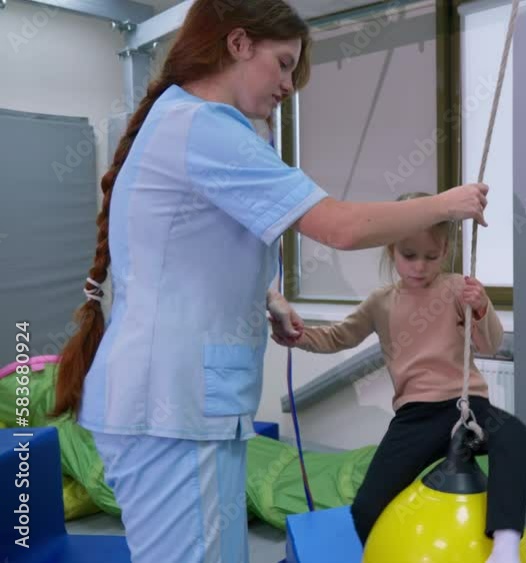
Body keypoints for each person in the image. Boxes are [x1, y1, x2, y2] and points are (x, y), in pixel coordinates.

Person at [49, 2, 488, 562]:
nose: (288, 84)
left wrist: (265, 297)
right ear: (238, 43)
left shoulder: (181, 122)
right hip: (172, 405)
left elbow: (180, 253)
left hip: (177, 405)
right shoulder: (204, 127)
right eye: (282, 64)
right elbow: (342, 227)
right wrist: (446, 204)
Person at [269, 192, 526, 563]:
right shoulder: (381, 302)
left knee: (516, 435)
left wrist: (481, 306)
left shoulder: (458, 289)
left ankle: (504, 548)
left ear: (445, 251)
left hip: (467, 407)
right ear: (391, 249)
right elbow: (339, 336)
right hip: (416, 417)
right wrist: (298, 337)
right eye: (409, 255)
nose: (420, 266)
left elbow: (489, 344)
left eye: (431, 256)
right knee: (365, 509)